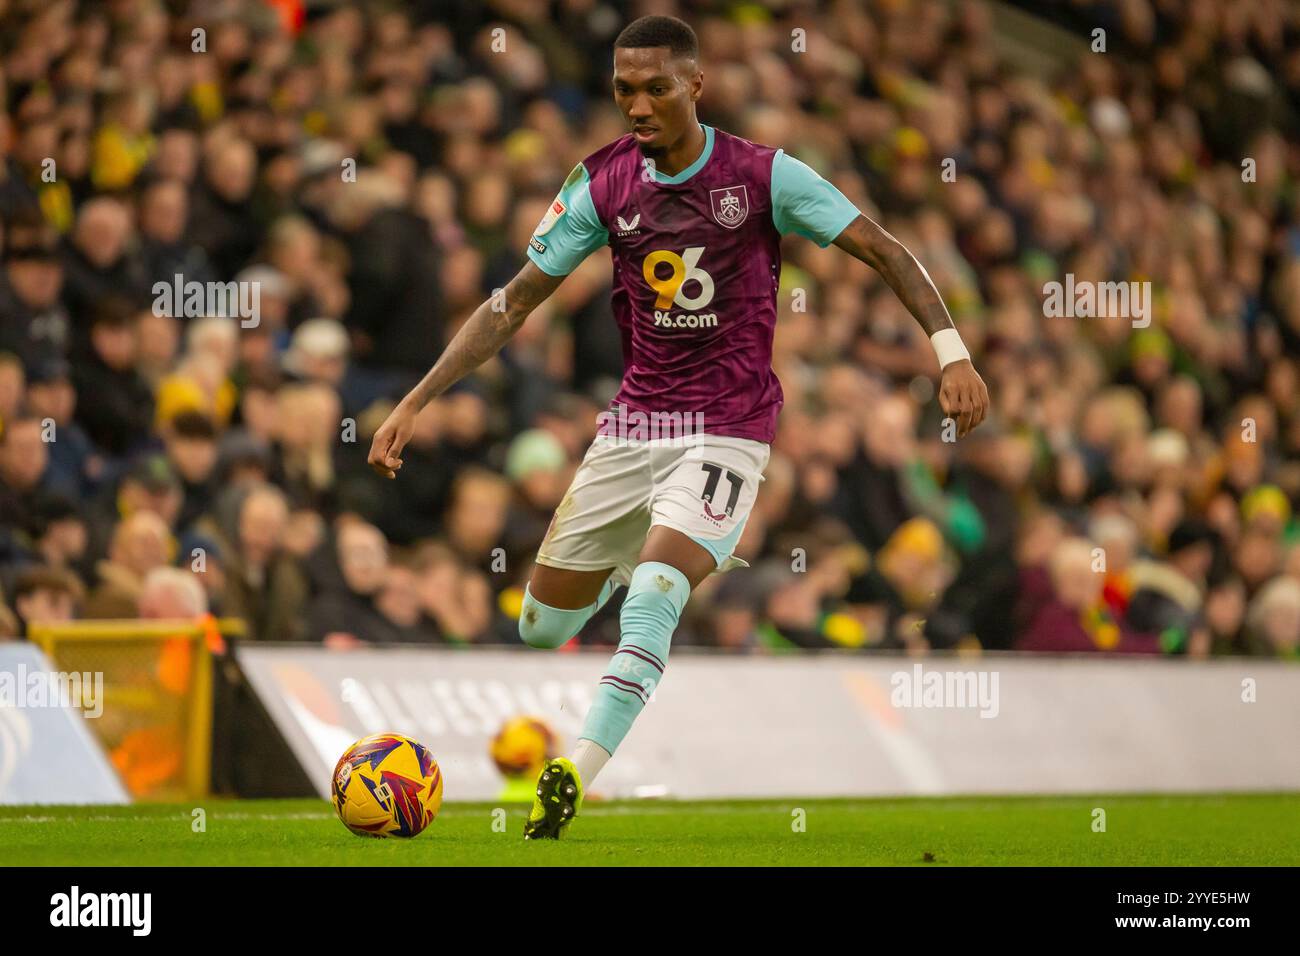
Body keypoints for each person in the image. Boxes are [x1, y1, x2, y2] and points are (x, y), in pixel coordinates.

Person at [368, 15, 990, 839]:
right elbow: (513, 301)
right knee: (540, 625)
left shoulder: (763, 176)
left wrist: (951, 354)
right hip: (632, 429)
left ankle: (574, 775)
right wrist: (416, 399)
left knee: (657, 593)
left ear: (696, 86)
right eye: (624, 89)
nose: (639, 104)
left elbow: (884, 248)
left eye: (657, 87)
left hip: (728, 426)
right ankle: (642, 554)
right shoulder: (602, 186)